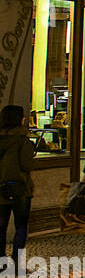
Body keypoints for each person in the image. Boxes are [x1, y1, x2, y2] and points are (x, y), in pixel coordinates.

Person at [0, 105, 37, 266]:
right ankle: (17, 263)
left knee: (1, 227)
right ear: (21, 120)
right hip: (21, 189)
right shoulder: (23, 140)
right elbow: (27, 165)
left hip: (0, 189)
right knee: (21, 227)